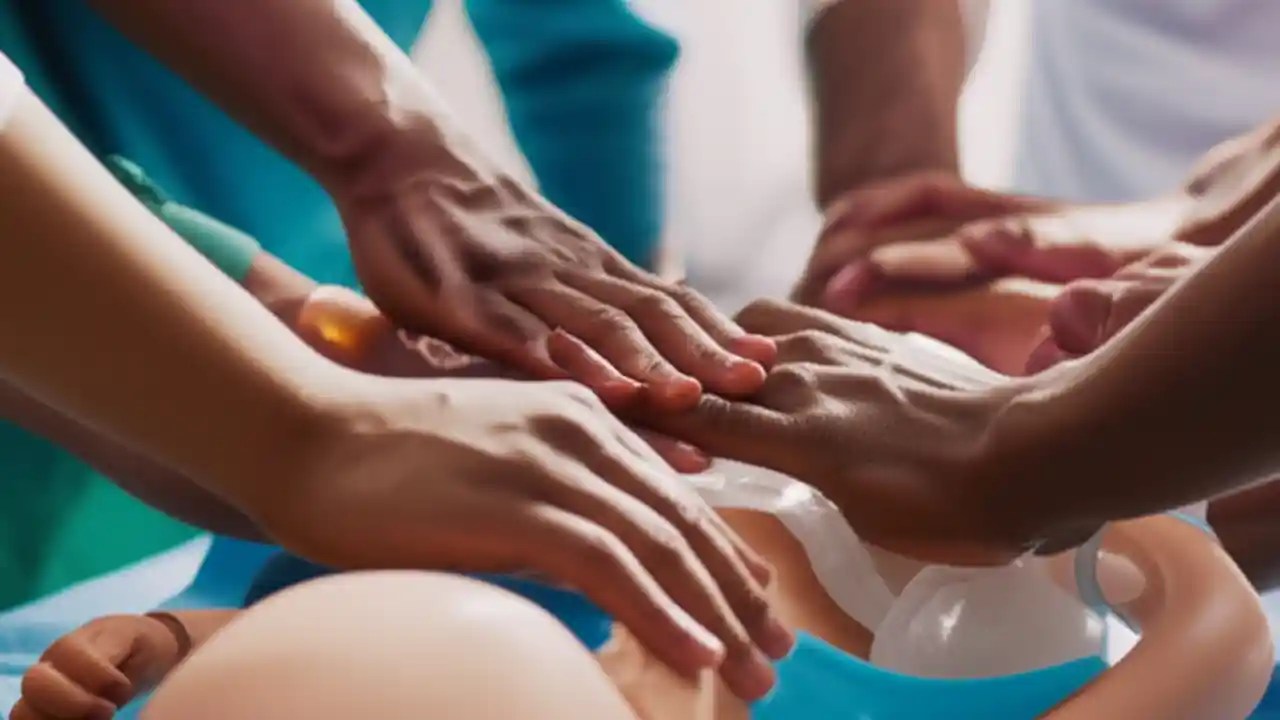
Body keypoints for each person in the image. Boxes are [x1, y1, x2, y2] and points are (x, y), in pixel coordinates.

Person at [0, 54, 790, 698]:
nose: (452, 340)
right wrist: (161, 641)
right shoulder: (418, 529)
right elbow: (294, 630)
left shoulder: (593, 592)